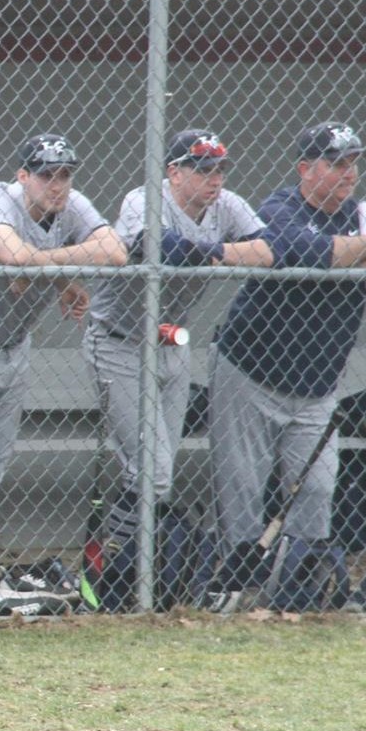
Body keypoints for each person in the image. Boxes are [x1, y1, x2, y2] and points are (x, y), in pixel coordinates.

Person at [208, 123, 366, 611]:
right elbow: (304, 250)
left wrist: (358, 254)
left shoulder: (365, 212)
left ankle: (295, 595)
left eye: (353, 162)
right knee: (242, 490)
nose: (349, 172)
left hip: (317, 385)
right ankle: (234, 597)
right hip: (250, 372)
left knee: (318, 489)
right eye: (336, 162)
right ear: (307, 169)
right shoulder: (280, 206)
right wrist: (365, 247)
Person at [0, 134, 127, 608]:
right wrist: (54, 266)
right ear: (23, 176)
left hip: (15, 349)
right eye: (45, 174)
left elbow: (115, 251)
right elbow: (13, 256)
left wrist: (49, 271)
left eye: (64, 174)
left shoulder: (72, 206)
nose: (57, 184)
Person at [80, 130, 276, 608]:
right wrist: (221, 253)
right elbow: (156, 244)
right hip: (119, 342)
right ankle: (112, 564)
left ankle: (120, 571)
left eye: (219, 169)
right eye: (202, 168)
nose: (215, 178)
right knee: (153, 472)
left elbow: (269, 252)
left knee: (150, 472)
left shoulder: (227, 205)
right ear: (174, 172)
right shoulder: (143, 198)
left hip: (172, 343)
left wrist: (213, 252)